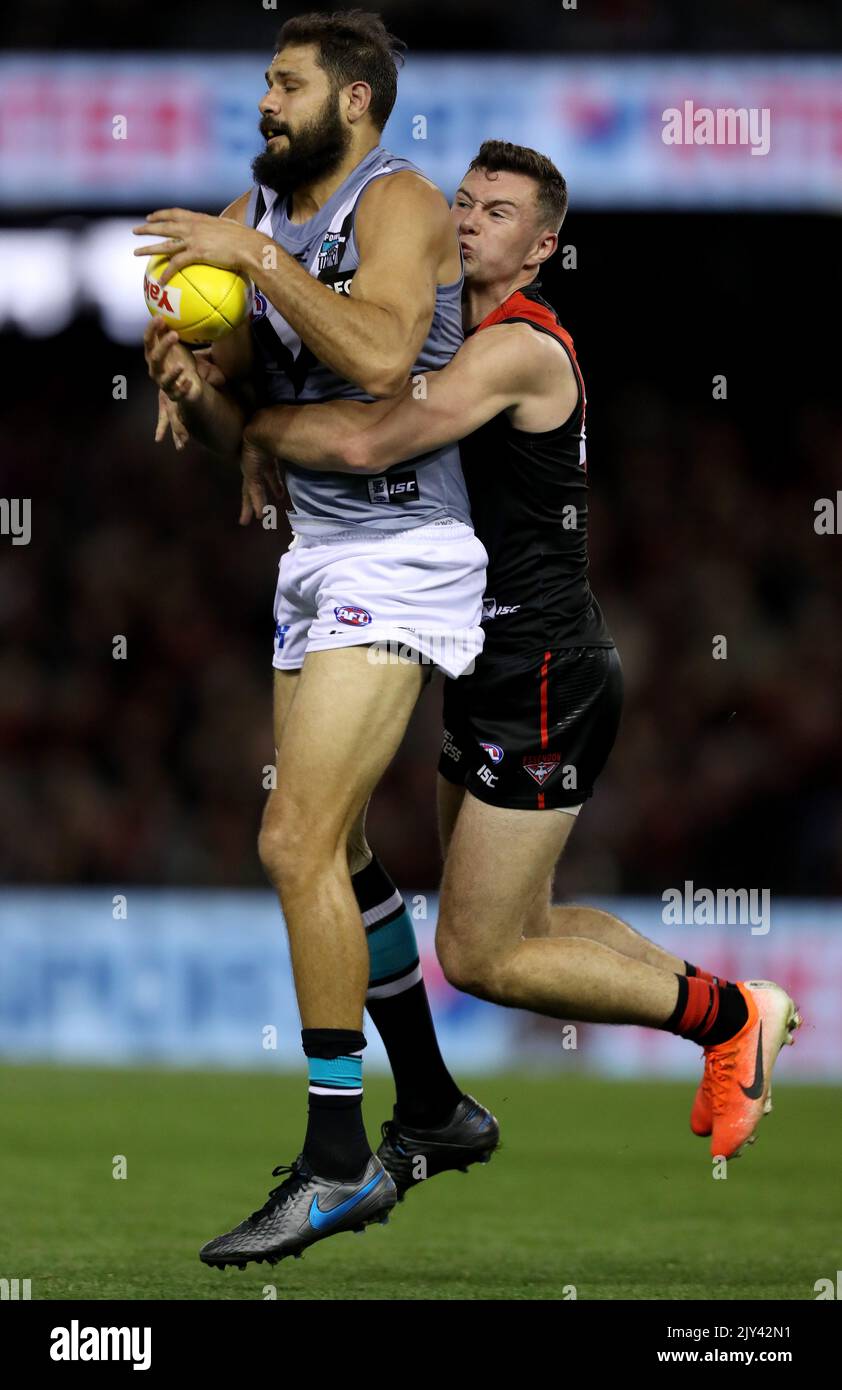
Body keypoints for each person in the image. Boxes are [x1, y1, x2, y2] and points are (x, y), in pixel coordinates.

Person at [236, 139, 802, 1181]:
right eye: (459, 202)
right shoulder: (462, 333)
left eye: (494, 214)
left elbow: (370, 441)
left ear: (540, 249)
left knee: (481, 954)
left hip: (538, 671)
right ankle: (737, 1009)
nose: (463, 222)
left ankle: (726, 1021)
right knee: (518, 922)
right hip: (497, 660)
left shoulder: (518, 348)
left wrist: (242, 418)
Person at [138, 11, 498, 1272]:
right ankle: (438, 1107)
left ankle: (340, 1163)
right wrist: (195, 376)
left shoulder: (397, 202)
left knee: (287, 837)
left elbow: (387, 356)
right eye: (261, 85)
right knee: (337, 849)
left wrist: (253, 259)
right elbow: (253, 419)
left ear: (354, 101)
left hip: (406, 550)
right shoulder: (258, 211)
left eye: (285, 86)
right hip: (315, 557)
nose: (263, 106)